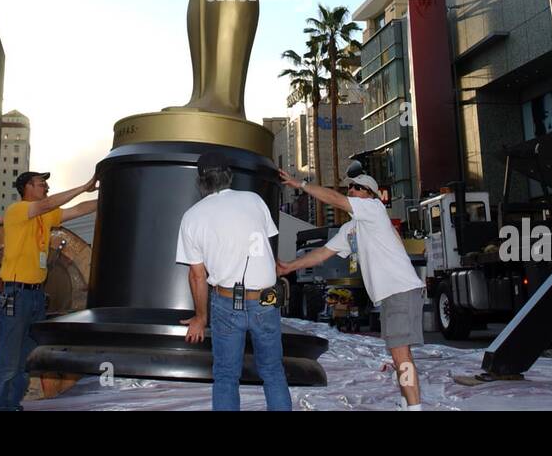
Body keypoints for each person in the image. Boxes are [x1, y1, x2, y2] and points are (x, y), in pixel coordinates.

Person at [277, 170, 426, 410]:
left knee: (401, 356)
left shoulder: (375, 210)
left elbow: (335, 200)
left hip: (401, 290)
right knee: (400, 355)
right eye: (351, 188)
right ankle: (406, 403)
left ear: (371, 196)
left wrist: (302, 184)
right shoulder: (351, 229)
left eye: (357, 187)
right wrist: (289, 267)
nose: (352, 191)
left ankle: (414, 408)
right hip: (391, 295)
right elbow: (322, 253)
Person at [176, 151, 291, 411]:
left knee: (227, 376)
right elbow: (267, 244)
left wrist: (200, 318)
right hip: (266, 299)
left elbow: (197, 275)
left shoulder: (192, 217)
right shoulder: (254, 200)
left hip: (227, 303)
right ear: (229, 175)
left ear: (201, 181)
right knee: (273, 372)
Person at [0, 170, 98, 411]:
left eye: (46, 184)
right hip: (14, 295)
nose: (45, 187)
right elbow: (47, 203)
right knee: (7, 362)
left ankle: (11, 405)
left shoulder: (45, 217)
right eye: (40, 184)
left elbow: (77, 211)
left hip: (35, 296)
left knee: (24, 360)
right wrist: (83, 186)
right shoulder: (17, 210)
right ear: (27, 187)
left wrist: (110, 196)